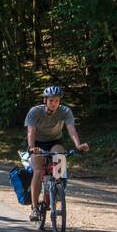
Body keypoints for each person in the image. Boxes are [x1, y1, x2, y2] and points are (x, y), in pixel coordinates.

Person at [25, 85, 90, 219]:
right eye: (51, 100)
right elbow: (31, 131)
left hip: (55, 141)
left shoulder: (65, 111)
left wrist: (78, 145)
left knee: (60, 159)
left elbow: (71, 129)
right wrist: (32, 148)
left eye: (57, 101)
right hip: (37, 143)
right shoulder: (35, 111)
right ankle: (35, 208)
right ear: (45, 100)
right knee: (38, 171)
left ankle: (53, 193)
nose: (54, 103)